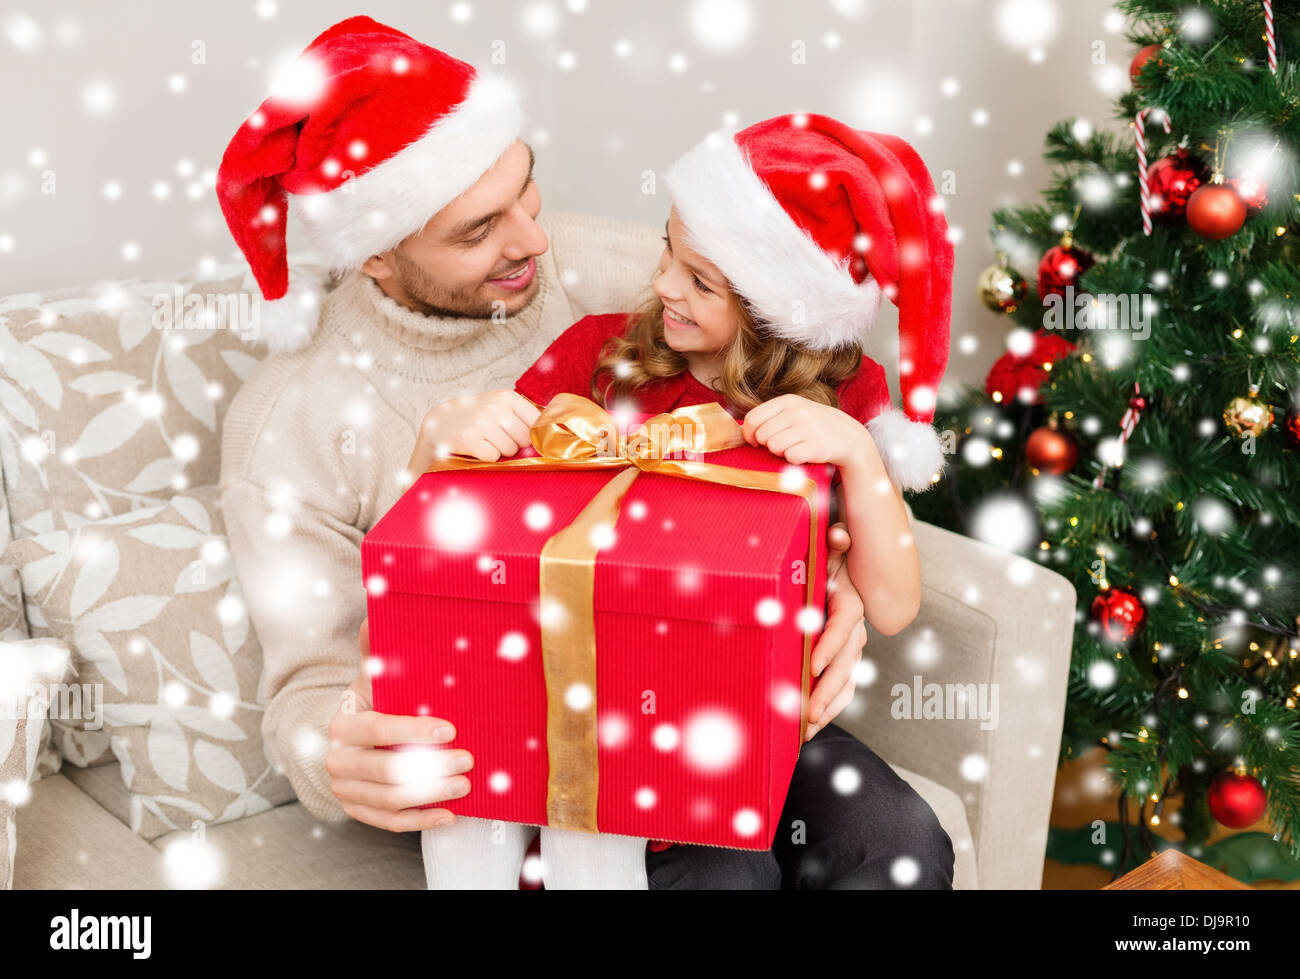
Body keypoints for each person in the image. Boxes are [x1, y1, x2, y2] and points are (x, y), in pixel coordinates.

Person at [215, 17, 876, 887]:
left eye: (529, 189)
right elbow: (306, 687)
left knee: (894, 842)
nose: (533, 238)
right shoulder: (290, 420)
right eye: (478, 229)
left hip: (709, 690)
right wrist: (339, 751)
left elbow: (794, 353)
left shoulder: (614, 273)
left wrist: (843, 583)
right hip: (514, 768)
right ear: (375, 255)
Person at [409, 115, 957, 888]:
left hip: (775, 724)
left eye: (701, 280)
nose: (664, 282)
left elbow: (893, 605)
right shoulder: (603, 362)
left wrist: (859, 454)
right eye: (668, 248)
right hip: (619, 724)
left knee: (899, 841)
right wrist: (446, 437)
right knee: (727, 873)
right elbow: (483, 518)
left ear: (780, 310)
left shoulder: (848, 396)